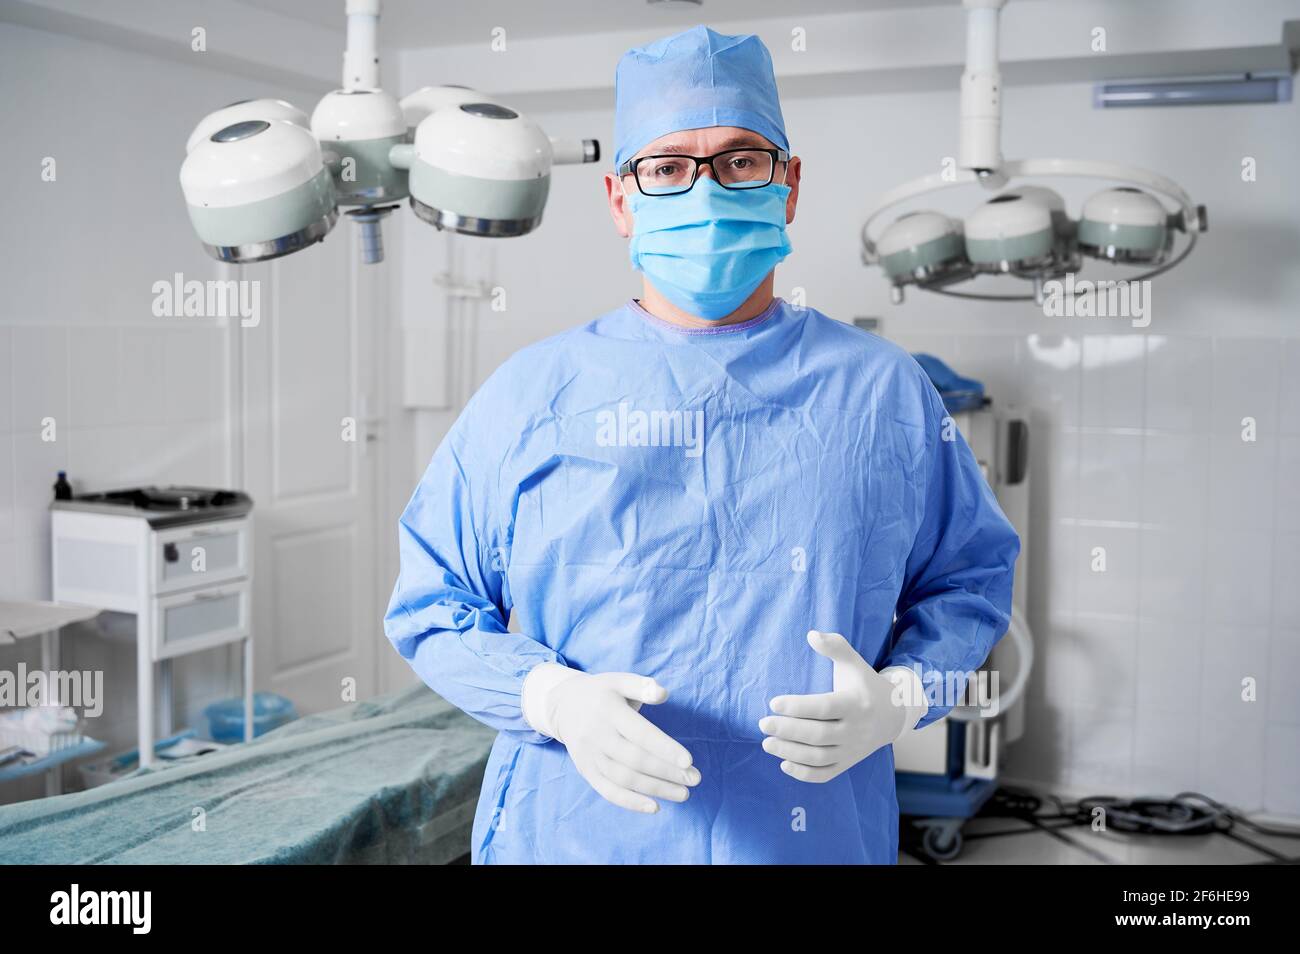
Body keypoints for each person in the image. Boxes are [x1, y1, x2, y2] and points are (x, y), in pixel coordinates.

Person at [384, 25, 1020, 864]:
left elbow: (969, 579)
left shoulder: (882, 392)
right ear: (620, 199)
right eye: (670, 166)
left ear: (788, 185)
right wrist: (551, 701)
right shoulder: (532, 395)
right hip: (576, 834)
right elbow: (432, 602)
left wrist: (900, 698)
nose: (708, 189)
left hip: (809, 836)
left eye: (741, 160)